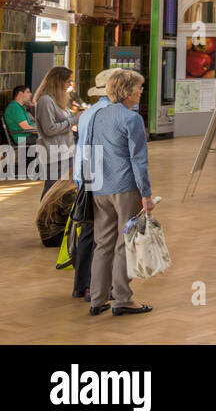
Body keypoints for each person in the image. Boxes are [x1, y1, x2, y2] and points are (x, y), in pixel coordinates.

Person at [87, 69, 154, 317]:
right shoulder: (131, 119)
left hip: (99, 188)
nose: (141, 91)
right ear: (127, 91)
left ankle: (97, 299)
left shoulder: (98, 116)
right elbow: (138, 160)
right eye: (138, 87)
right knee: (125, 243)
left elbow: (90, 151)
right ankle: (123, 298)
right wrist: (146, 195)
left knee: (102, 244)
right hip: (125, 188)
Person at [69, 69, 114, 301]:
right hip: (103, 176)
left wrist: (79, 178)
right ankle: (97, 286)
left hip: (85, 172)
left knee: (88, 231)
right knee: (106, 233)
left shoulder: (88, 113)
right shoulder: (110, 113)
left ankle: (82, 284)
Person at [32, 66, 79, 196]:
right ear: (58, 81)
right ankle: (44, 216)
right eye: (68, 81)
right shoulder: (45, 101)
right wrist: (73, 120)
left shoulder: (56, 100)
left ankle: (56, 215)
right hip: (54, 153)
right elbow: (49, 129)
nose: (70, 84)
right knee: (52, 190)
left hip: (65, 151)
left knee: (63, 190)